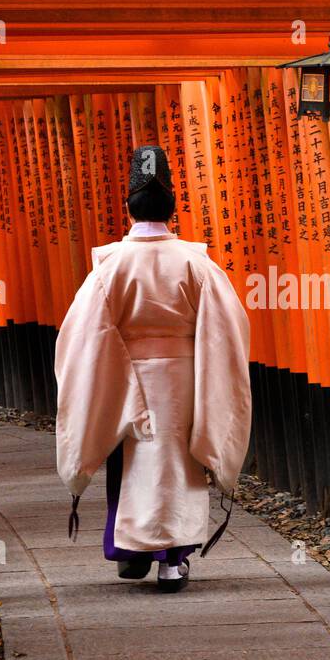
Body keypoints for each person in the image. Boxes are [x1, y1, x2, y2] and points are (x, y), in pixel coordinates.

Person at [54, 145, 251, 592]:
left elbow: (80, 337)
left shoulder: (110, 268)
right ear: (174, 208)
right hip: (185, 378)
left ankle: (132, 550)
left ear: (127, 207)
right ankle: (173, 562)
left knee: (131, 459)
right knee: (180, 461)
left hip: (125, 376)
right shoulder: (196, 264)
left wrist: (110, 376)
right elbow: (227, 329)